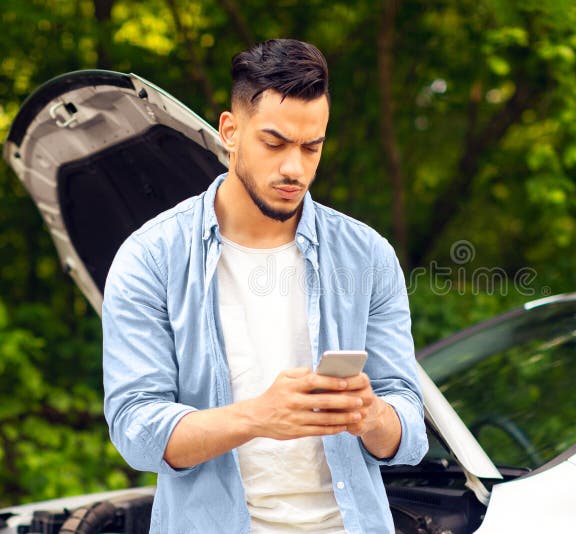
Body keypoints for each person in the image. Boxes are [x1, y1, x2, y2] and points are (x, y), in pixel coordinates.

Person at [102, 38, 427, 533]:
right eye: (274, 144)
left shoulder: (368, 256)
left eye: (311, 147)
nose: (294, 168)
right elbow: (136, 430)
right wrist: (257, 416)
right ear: (230, 131)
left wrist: (371, 414)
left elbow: (408, 430)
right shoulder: (150, 259)